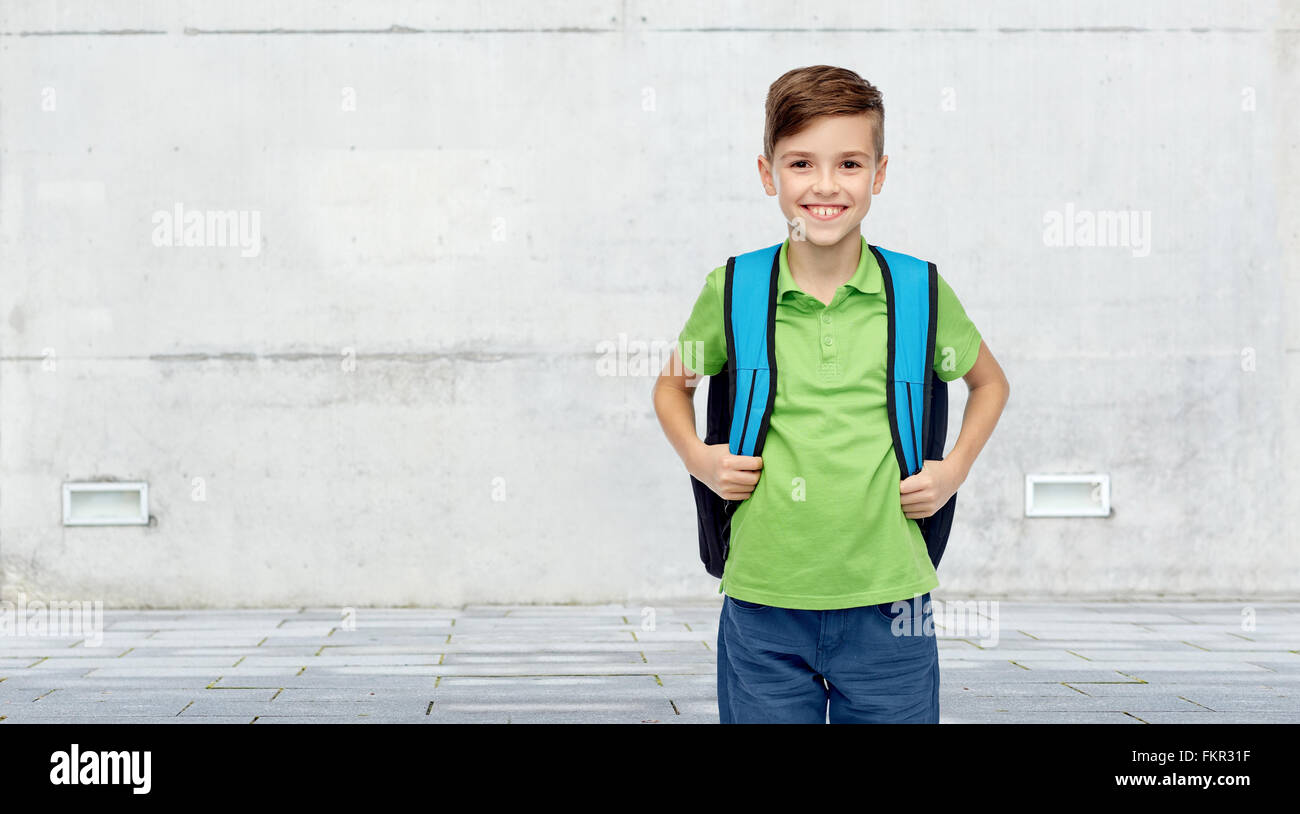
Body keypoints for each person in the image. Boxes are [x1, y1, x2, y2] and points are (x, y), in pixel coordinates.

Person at [652, 65, 1010, 723]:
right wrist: (701, 461)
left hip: (889, 601)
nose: (824, 185)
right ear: (768, 175)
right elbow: (672, 384)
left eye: (848, 163)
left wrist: (953, 469)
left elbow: (988, 382)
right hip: (763, 600)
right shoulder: (734, 289)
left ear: (878, 175)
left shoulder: (918, 291)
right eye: (800, 163)